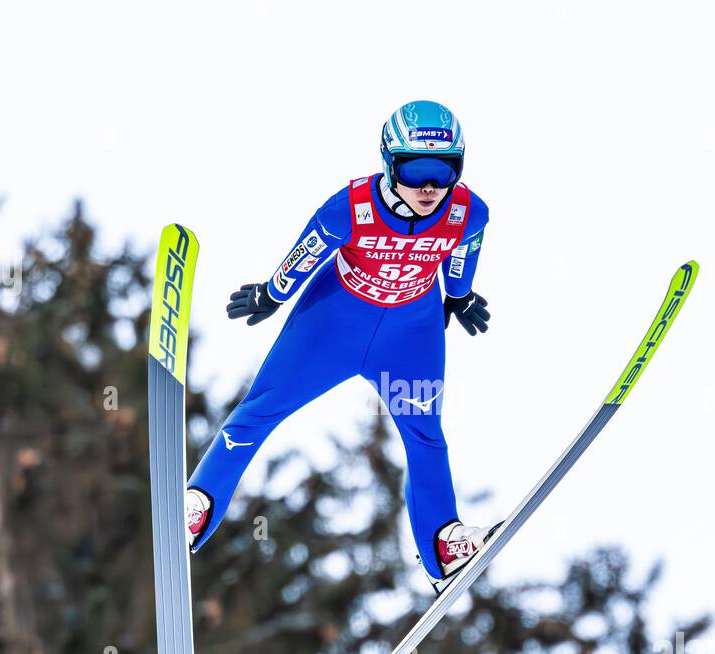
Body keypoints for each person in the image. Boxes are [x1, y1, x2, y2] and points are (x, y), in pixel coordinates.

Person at [185, 100, 494, 582]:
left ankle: (442, 544)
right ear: (390, 164)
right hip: (334, 322)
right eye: (415, 171)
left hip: (410, 333)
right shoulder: (352, 207)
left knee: (425, 434)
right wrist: (272, 293)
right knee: (263, 406)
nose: (430, 186)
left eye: (444, 170)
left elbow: (465, 252)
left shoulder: (467, 212)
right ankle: (199, 501)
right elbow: (307, 251)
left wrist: (458, 295)